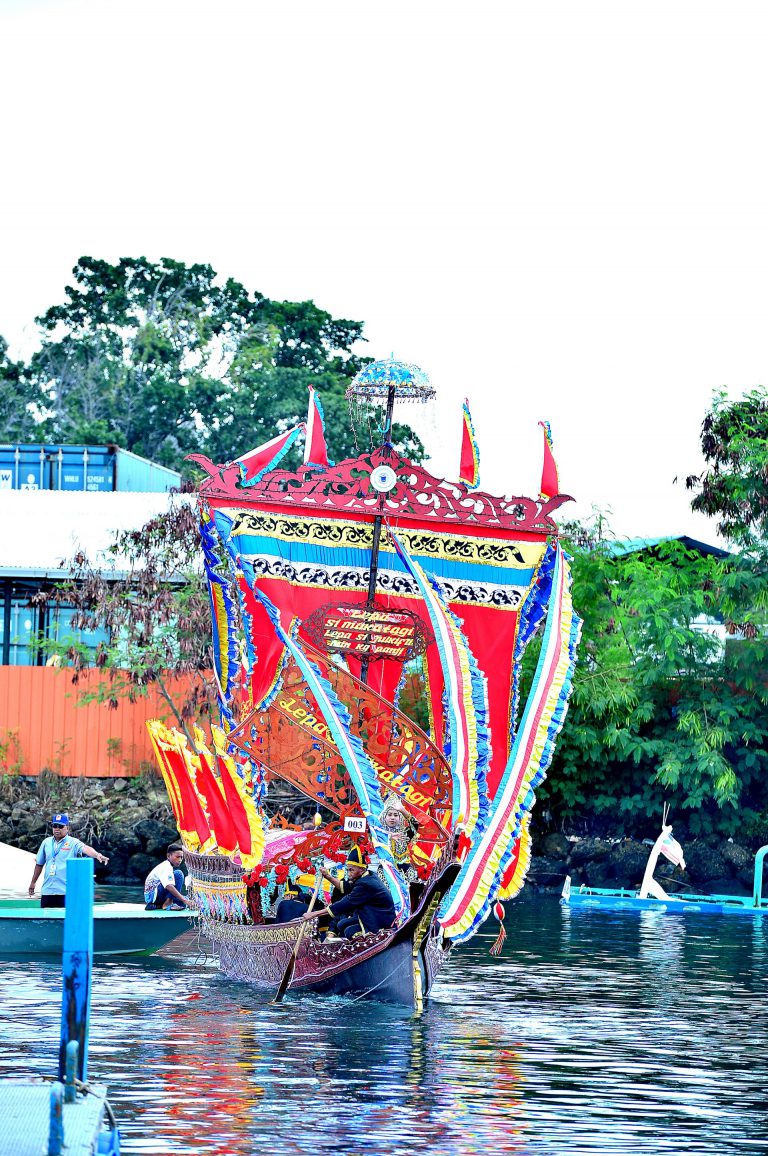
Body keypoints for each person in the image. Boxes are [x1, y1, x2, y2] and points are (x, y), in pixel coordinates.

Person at [300, 846, 396, 939]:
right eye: (348, 870)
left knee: (349, 931)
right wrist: (327, 876)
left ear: (362, 869)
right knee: (341, 924)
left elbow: (344, 903)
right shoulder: (367, 876)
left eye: (351, 870)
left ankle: (366, 944)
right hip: (372, 915)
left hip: (380, 920)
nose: (348, 874)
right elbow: (346, 887)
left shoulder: (365, 884)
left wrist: (313, 914)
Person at [28, 813, 109, 908]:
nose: (57, 829)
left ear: (67, 827)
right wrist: (33, 882)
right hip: (48, 891)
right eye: (54, 826)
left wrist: (97, 855)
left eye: (60, 826)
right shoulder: (46, 842)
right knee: (45, 916)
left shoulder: (73, 842)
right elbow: (39, 864)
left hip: (65, 892)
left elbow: (85, 848)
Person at [144, 844, 194, 910]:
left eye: (181, 857)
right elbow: (168, 886)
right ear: (168, 856)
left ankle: (163, 904)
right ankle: (167, 904)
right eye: (177, 857)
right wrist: (184, 900)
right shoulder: (166, 867)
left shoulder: (168, 866)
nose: (180, 860)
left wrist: (185, 900)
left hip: (154, 897)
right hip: (153, 897)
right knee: (178, 874)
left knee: (188, 902)